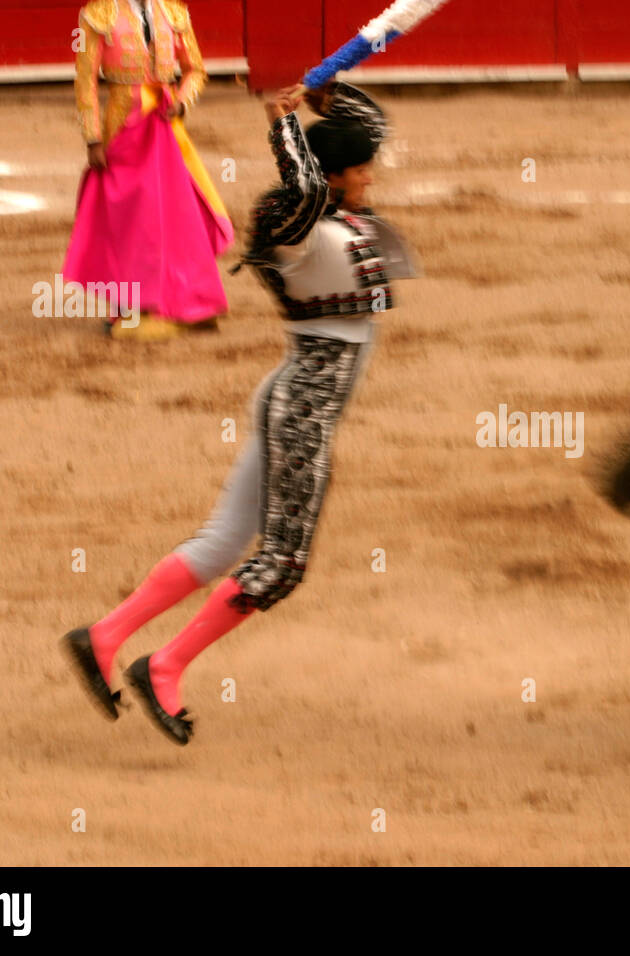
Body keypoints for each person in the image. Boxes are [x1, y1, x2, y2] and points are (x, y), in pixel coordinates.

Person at [62, 79, 412, 743]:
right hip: (302, 411)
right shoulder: (295, 224)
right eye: (358, 168)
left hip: (289, 398)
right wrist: (281, 125)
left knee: (226, 541)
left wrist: (321, 90)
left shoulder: (332, 211)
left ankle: (104, 636)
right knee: (280, 564)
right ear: (331, 175)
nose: (370, 175)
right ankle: (164, 664)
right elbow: (306, 185)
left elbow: (365, 125)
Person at [63, 0, 233, 341]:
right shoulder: (97, 14)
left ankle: (183, 300)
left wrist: (182, 102)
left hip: (164, 126)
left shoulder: (173, 11)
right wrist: (93, 137)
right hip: (122, 127)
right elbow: (86, 83)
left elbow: (195, 69)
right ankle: (130, 306)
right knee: (129, 218)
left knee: (173, 214)